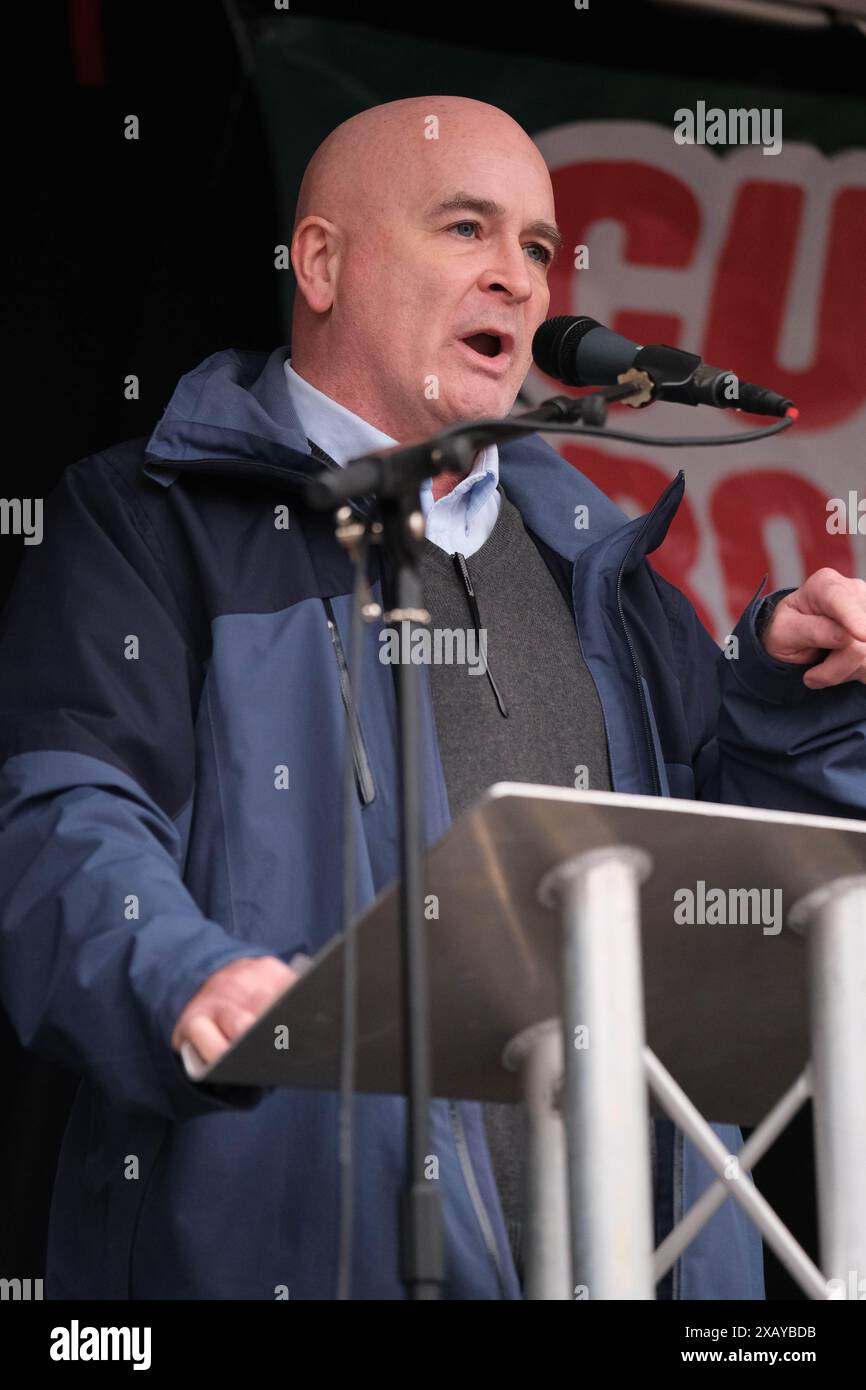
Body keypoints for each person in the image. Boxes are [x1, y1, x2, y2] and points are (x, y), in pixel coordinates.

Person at [2, 94, 866, 1301]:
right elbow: (66, 816)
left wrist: (788, 696)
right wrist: (187, 974)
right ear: (320, 262)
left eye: (534, 248)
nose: (516, 279)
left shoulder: (595, 561)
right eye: (466, 228)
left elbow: (727, 900)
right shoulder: (145, 527)